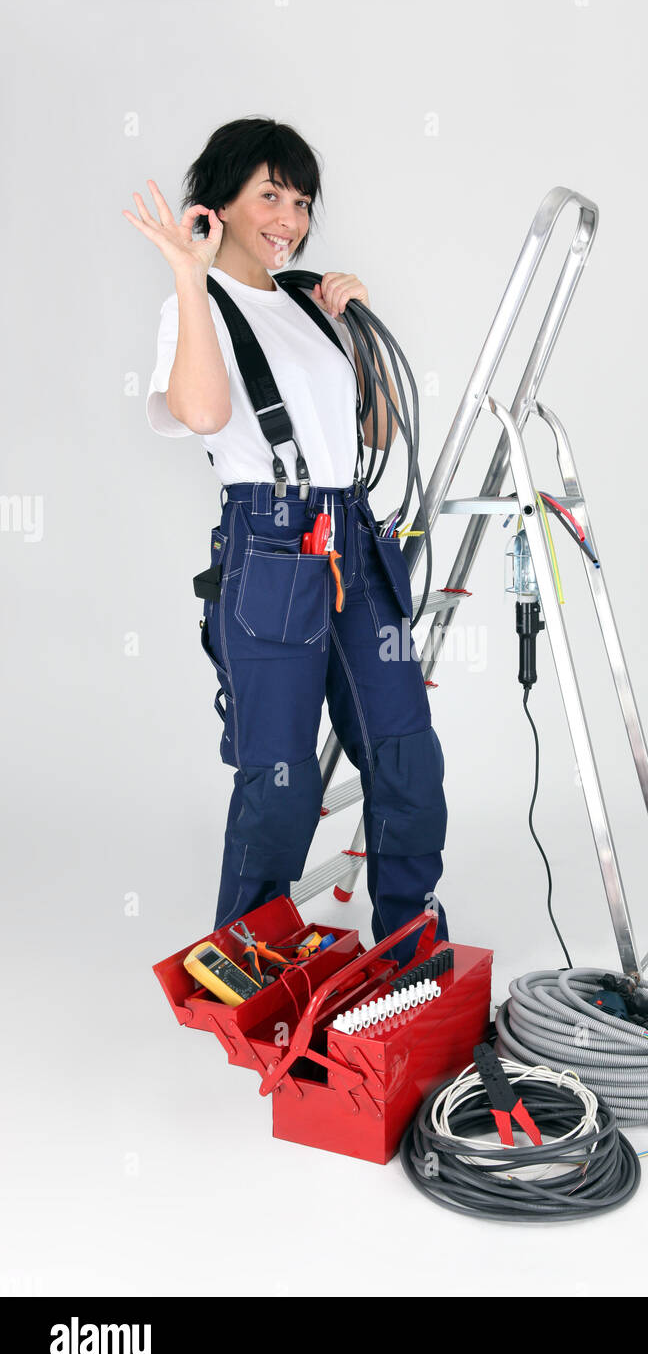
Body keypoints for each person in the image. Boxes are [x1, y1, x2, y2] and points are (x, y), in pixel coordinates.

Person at [124, 116, 448, 965]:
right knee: (282, 780)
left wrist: (359, 328)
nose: (290, 218)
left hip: (352, 539)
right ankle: (244, 960)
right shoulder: (194, 305)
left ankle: (411, 945)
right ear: (220, 201)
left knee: (405, 752)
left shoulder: (305, 303)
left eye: (301, 201)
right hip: (269, 548)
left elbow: (374, 432)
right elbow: (202, 414)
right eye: (270, 194)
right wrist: (189, 281)